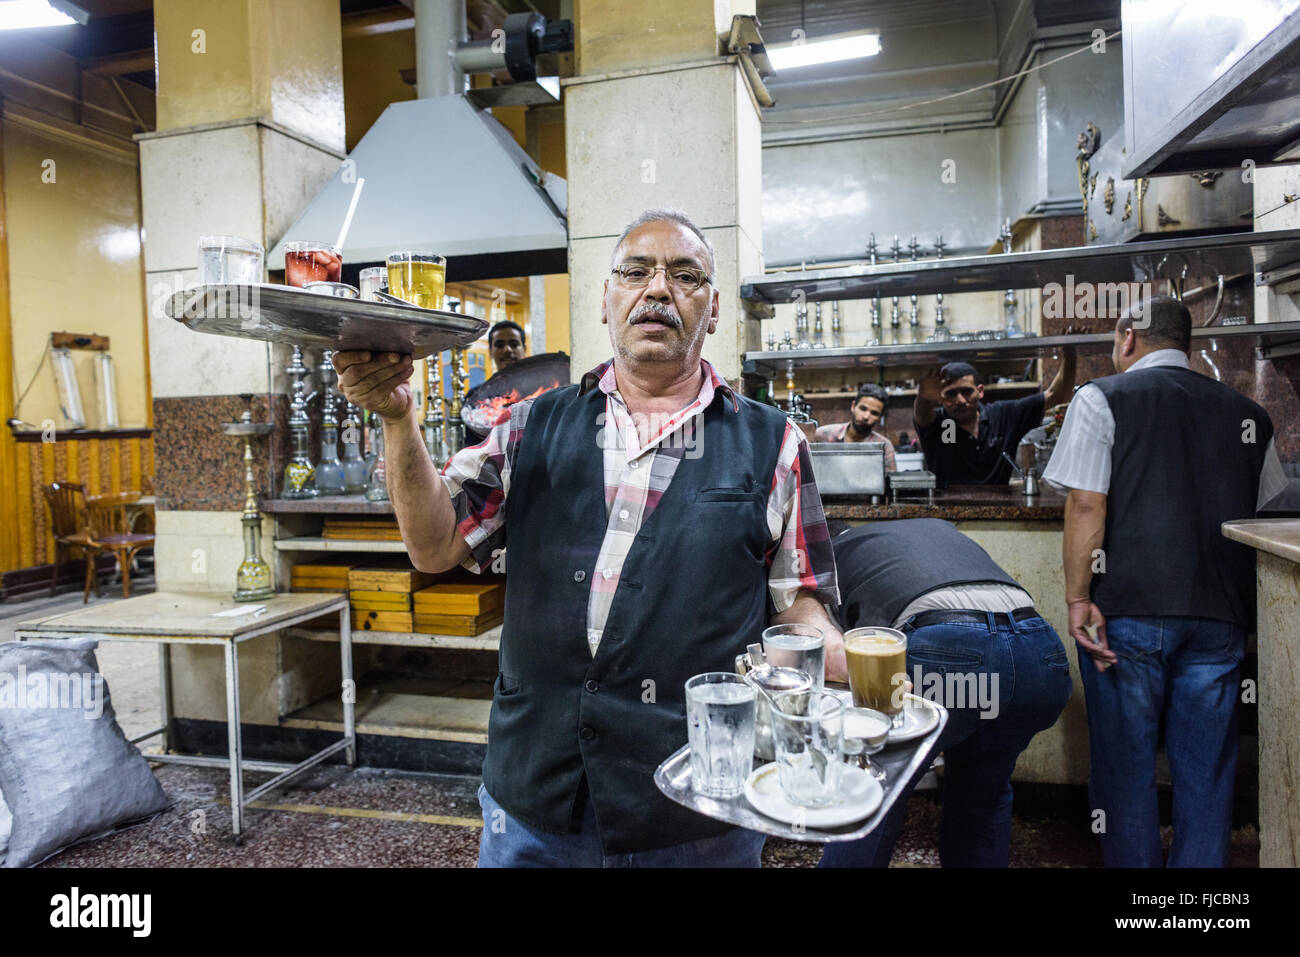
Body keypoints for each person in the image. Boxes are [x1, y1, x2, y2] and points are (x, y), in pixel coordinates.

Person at [334, 208, 843, 867]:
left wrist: (837, 662)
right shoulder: (530, 427)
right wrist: (399, 419)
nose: (657, 289)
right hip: (535, 805)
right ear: (607, 300)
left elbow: (801, 603)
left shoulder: (771, 441)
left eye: (684, 276)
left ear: (713, 310)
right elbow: (434, 547)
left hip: (694, 816)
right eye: (635, 272)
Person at [1043, 296, 1284, 867]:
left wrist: (1078, 597)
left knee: (1126, 770)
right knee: (1207, 772)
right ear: (1188, 345)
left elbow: (1084, 504)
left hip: (1127, 612)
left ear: (1128, 338)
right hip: (1220, 618)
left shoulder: (1101, 397)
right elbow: (1267, 520)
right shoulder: (1250, 415)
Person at [818, 518, 1072, 868]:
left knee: (872, 794)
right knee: (983, 797)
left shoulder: (824, 560)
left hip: (950, 652)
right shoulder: (934, 530)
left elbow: (838, 661)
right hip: (1042, 656)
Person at [914, 353, 1075, 486]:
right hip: (948, 516)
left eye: (967, 391)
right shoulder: (941, 424)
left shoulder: (1003, 415)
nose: (960, 400)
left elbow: (1057, 395)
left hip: (999, 514)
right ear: (940, 397)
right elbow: (922, 416)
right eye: (951, 394)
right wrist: (923, 398)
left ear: (980, 391)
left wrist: (1070, 354)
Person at [814, 384, 898, 472]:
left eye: (874, 413)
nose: (866, 416)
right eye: (863, 409)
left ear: (880, 417)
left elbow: (890, 483)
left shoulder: (884, 447)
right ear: (853, 406)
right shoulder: (823, 435)